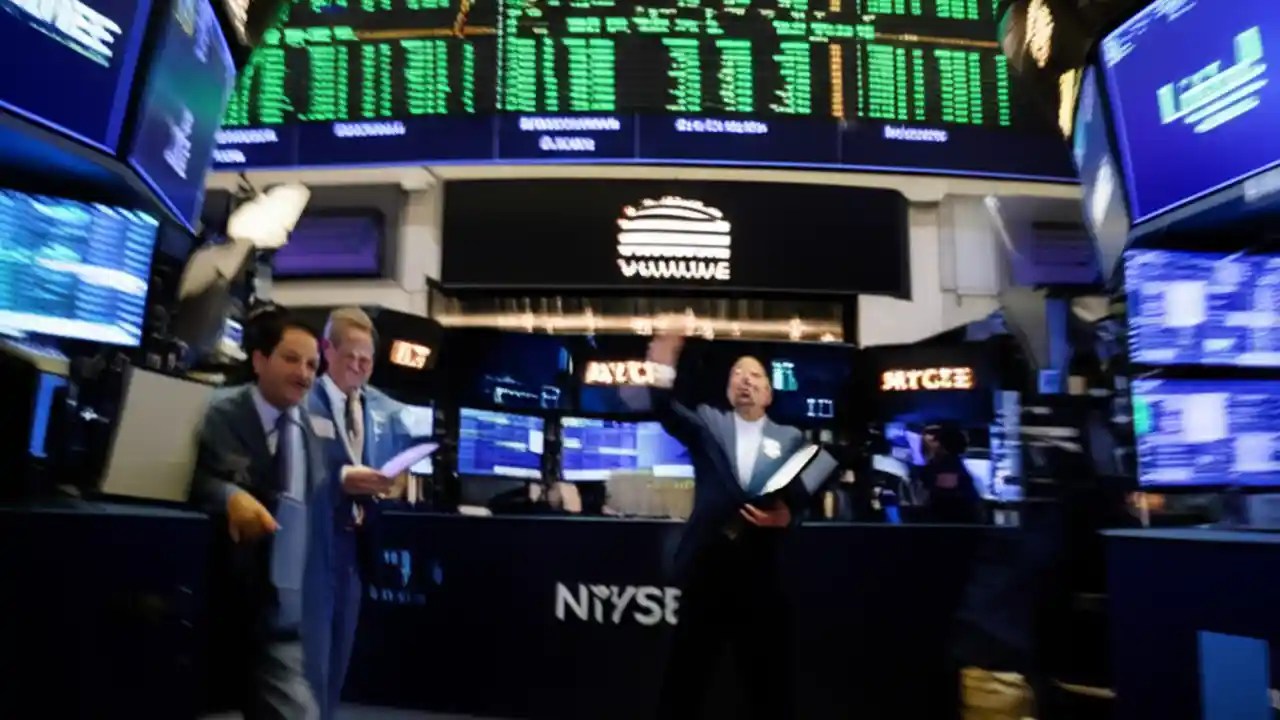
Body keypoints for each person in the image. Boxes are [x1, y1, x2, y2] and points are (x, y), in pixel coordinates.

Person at [645, 330, 807, 720]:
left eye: (754, 376)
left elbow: (801, 496)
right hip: (707, 570)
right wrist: (663, 362)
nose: (745, 380)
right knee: (685, 678)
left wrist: (788, 517)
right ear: (729, 388)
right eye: (737, 374)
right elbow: (665, 408)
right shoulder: (708, 422)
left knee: (767, 682)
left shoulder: (791, 439)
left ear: (768, 393)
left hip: (761, 574)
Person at [190, 314, 327, 719]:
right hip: (221, 602)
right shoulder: (215, 414)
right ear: (259, 360)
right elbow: (182, 479)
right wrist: (227, 495)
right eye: (291, 359)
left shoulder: (307, 431)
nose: (303, 374)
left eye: (311, 365)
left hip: (283, 611)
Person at [304, 307, 407, 720]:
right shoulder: (306, 399)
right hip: (315, 545)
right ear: (328, 350)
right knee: (312, 663)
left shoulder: (373, 407)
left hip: (354, 549)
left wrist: (392, 480)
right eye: (352, 357)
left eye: (367, 360)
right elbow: (301, 469)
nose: (361, 367)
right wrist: (343, 478)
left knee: (338, 662)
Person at [920, 425, 982, 524]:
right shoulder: (950, 465)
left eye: (934, 440)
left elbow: (945, 503)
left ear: (942, 445)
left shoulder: (947, 467)